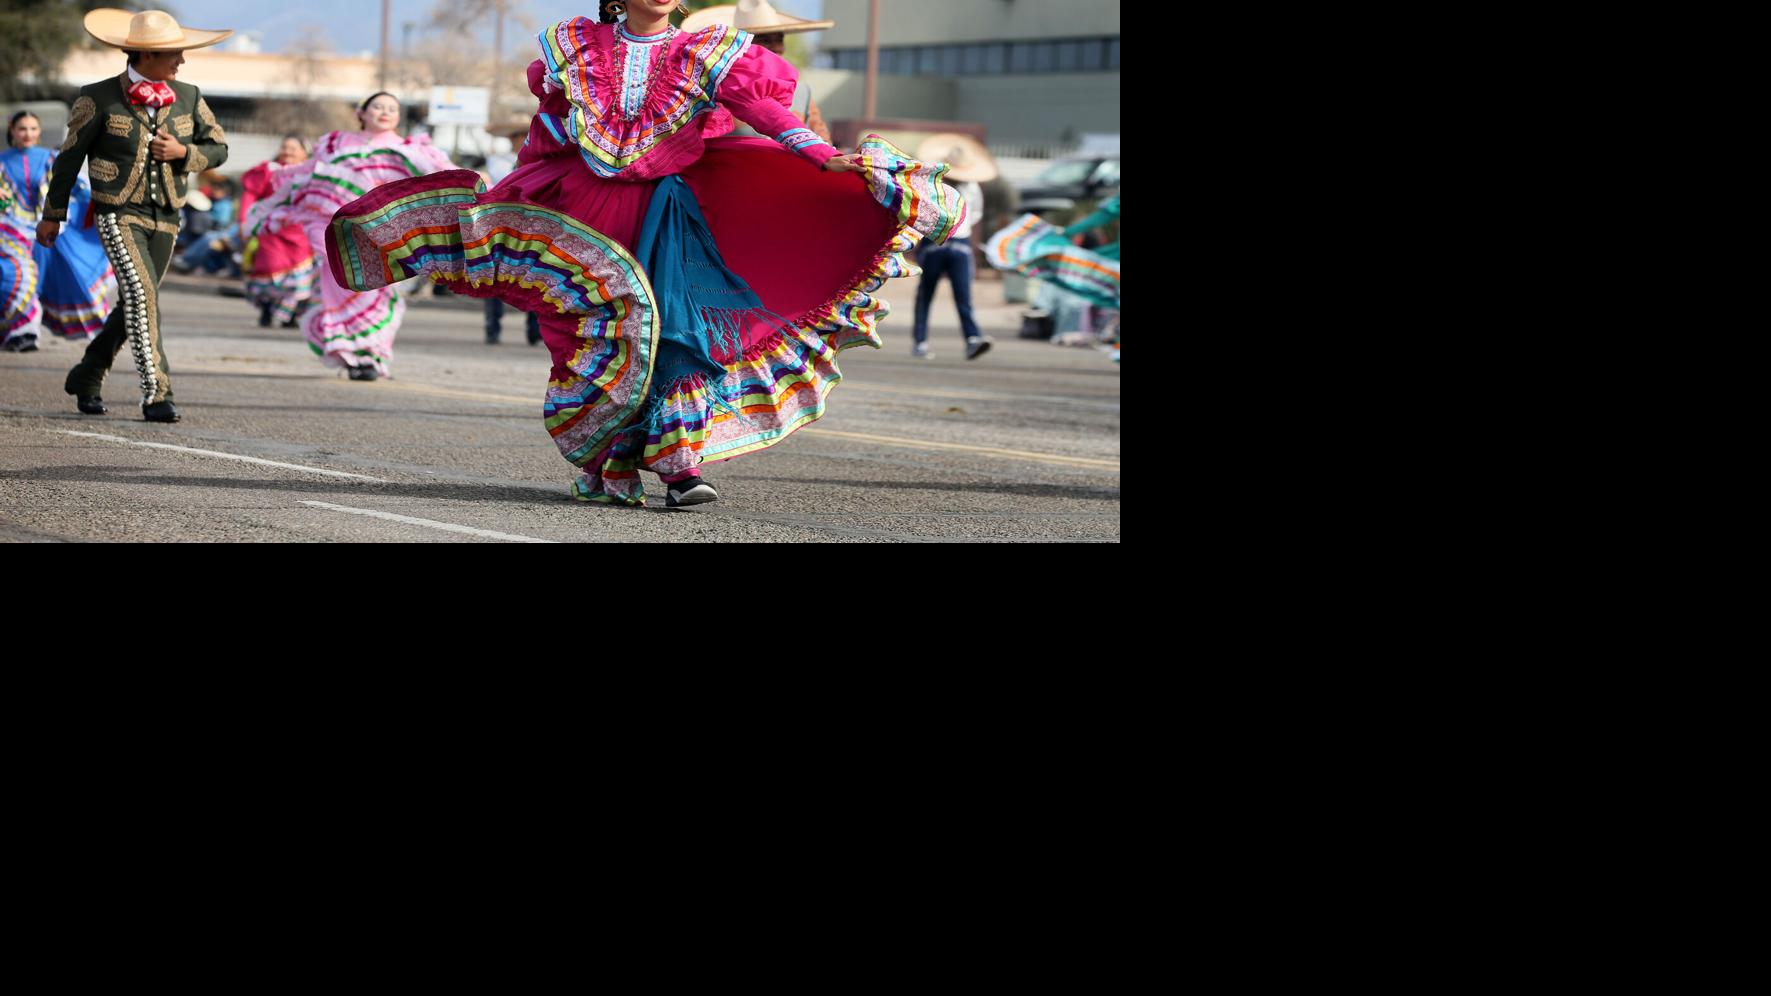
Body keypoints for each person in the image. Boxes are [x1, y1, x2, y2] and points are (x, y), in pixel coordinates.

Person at [325, 0, 964, 507]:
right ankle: (610, 461)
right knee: (587, 335)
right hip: (582, 209)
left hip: (664, 211)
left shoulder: (705, 52)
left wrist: (823, 157)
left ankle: (678, 466)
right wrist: (516, 199)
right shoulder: (574, 47)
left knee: (675, 327)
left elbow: (761, 110)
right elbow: (549, 130)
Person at [41, 8, 232, 422]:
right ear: (147, 56)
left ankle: (89, 372)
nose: (182, 61)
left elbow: (220, 149)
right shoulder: (98, 95)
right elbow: (69, 159)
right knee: (143, 297)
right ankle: (156, 393)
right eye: (174, 54)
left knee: (136, 300)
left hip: (168, 214)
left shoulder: (190, 95)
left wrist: (185, 154)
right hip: (117, 211)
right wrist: (52, 214)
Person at [245, 92, 454, 380]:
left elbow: (443, 178)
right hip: (339, 229)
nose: (384, 112)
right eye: (377, 106)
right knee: (342, 285)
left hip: (386, 235)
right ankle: (351, 356)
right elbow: (311, 172)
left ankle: (373, 356)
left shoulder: (412, 150)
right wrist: (283, 175)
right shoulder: (336, 143)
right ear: (362, 113)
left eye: (391, 108)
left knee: (381, 292)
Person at [2, 110, 119, 350]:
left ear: (40, 131)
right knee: (14, 276)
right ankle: (23, 330)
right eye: (22, 128)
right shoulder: (2, 161)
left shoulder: (51, 157)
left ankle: (26, 331)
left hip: (47, 231)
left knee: (66, 278)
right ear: (12, 130)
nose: (28, 134)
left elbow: (78, 186)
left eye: (33, 128)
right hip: (10, 231)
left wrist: (101, 200)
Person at [681, 0, 834, 144]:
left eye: (779, 39)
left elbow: (822, 141)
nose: (776, 47)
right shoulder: (715, 91)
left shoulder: (801, 91)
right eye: (765, 40)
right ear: (743, 46)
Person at [909, 133, 994, 360]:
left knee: (963, 295)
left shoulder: (972, 187)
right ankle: (920, 341)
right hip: (934, 242)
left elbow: (974, 214)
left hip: (959, 243)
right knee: (925, 294)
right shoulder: (932, 183)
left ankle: (972, 338)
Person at [237, 135, 316, 328]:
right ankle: (266, 310)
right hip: (270, 230)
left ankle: (290, 315)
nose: (288, 151)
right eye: (285, 147)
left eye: (294, 148)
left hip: (300, 231)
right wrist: (244, 220)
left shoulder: (313, 173)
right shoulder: (268, 172)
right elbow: (250, 196)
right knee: (269, 270)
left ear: (305, 153)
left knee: (300, 277)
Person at [480, 121, 541, 346]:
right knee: (494, 275)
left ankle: (534, 330)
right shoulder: (497, 162)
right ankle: (492, 327)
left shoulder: (543, 161)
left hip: (532, 224)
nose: (522, 139)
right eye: (518, 135)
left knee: (534, 275)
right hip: (500, 224)